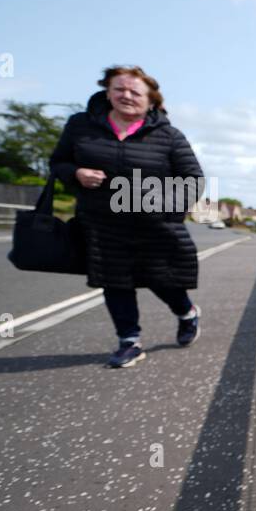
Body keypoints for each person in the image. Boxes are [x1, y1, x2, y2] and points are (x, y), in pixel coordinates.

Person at [49, 66, 205, 368]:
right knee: (115, 282)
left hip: (154, 225)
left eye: (135, 91)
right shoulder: (81, 125)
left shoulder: (169, 136)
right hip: (102, 223)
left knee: (164, 280)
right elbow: (58, 162)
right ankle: (129, 342)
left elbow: (193, 179)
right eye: (119, 89)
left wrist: (166, 208)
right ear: (107, 93)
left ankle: (187, 313)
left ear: (151, 100)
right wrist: (76, 173)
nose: (127, 96)